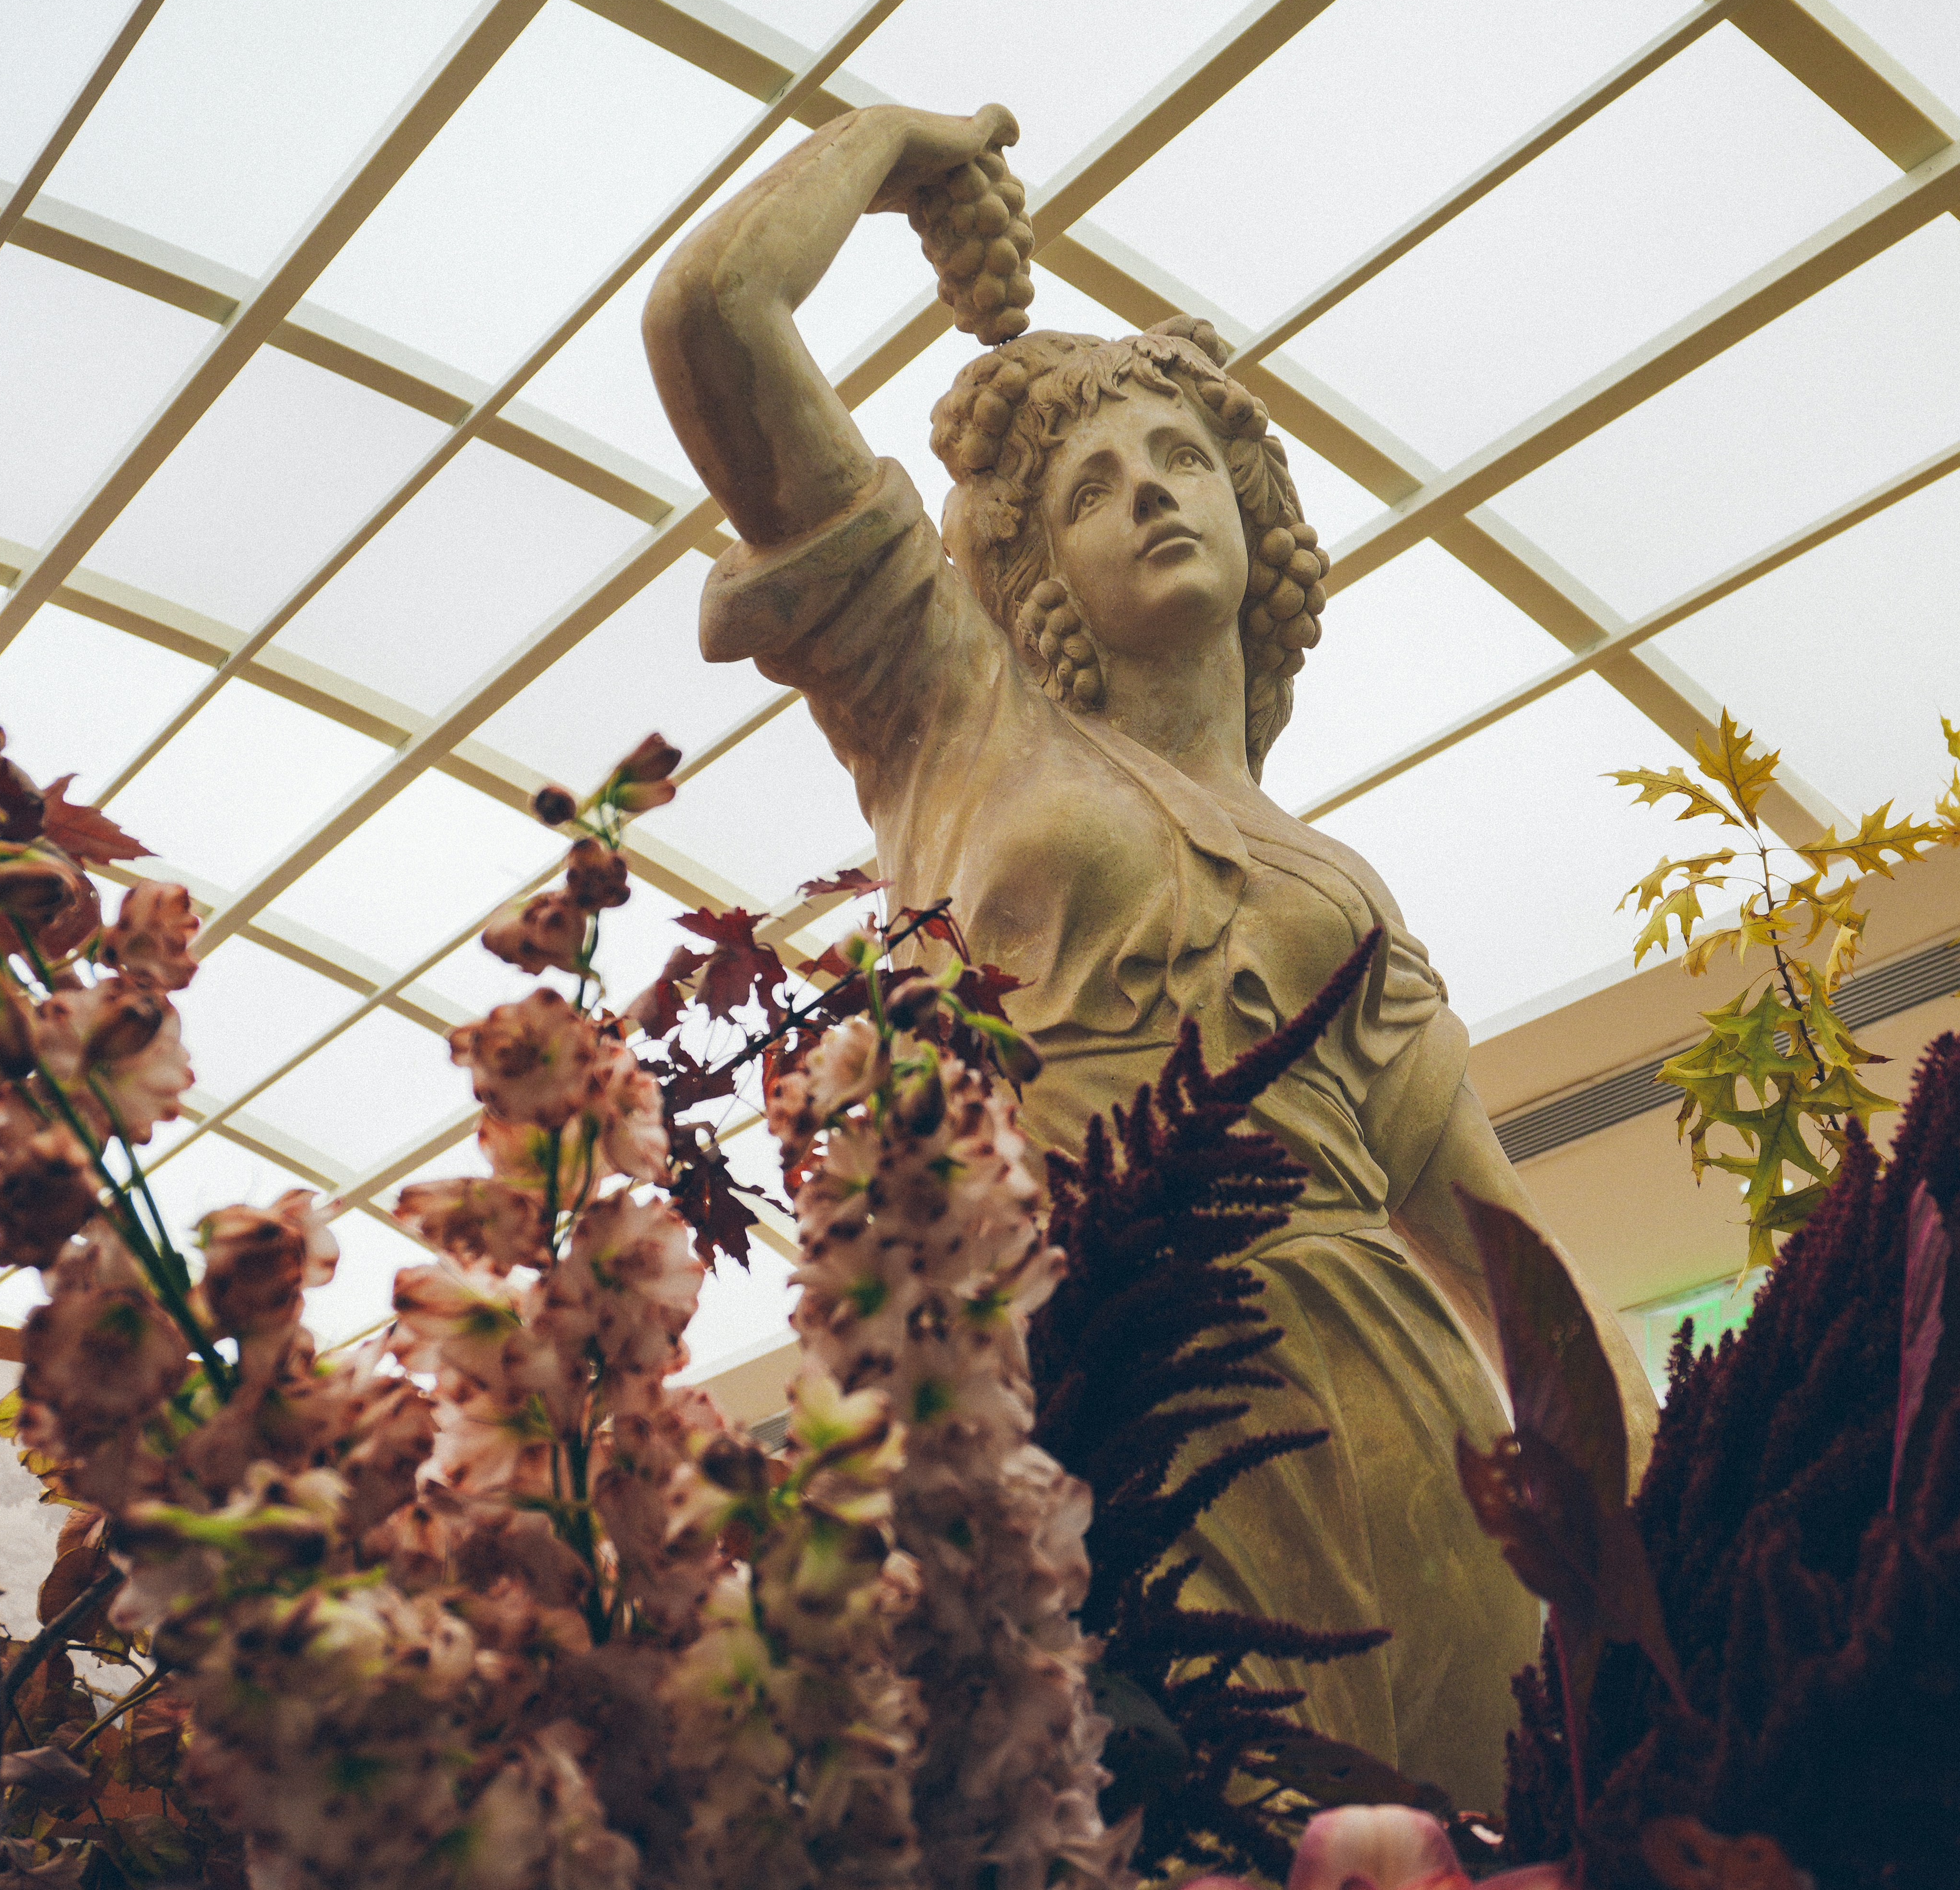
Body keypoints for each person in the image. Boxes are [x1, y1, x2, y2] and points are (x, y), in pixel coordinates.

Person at [645, 101, 1652, 1813]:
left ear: (1254, 516)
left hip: (1415, 1443)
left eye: (1180, 458)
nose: (1150, 494)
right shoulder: (956, 723)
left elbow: (1505, 1245)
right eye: (1092, 489)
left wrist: (1675, 1502)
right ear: (1034, 569)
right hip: (1117, 1411)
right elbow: (713, 319)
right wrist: (895, 147)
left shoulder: (1340, 883)